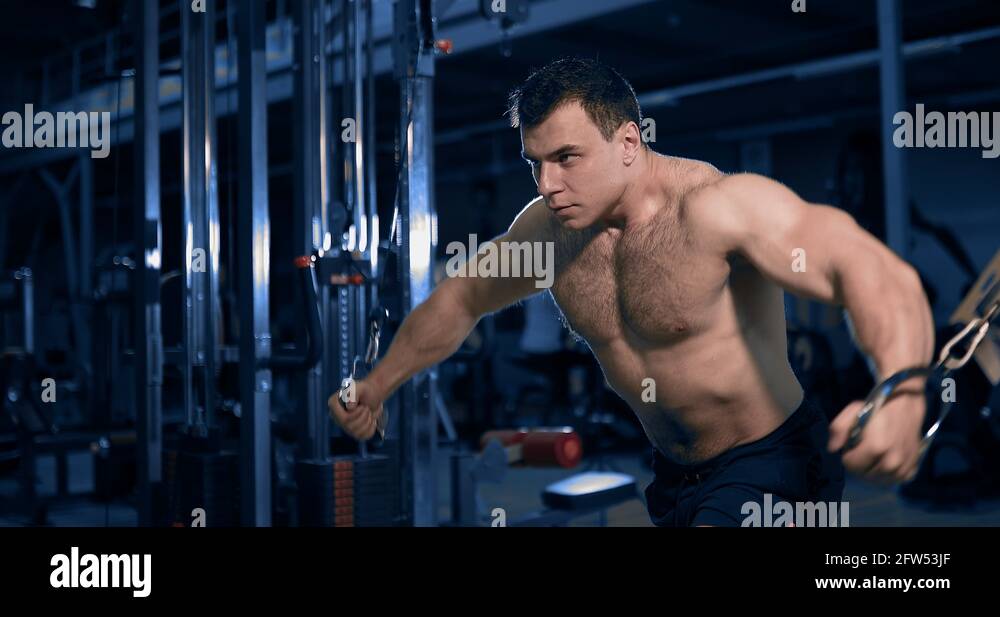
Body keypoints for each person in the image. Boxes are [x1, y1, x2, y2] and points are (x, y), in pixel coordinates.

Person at [328, 57, 934, 526]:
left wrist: (903, 390)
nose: (548, 183)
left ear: (627, 142)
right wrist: (377, 385)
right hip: (673, 475)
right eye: (534, 162)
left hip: (772, 462)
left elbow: (869, 268)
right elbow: (462, 298)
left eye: (567, 157)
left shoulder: (716, 209)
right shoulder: (550, 232)